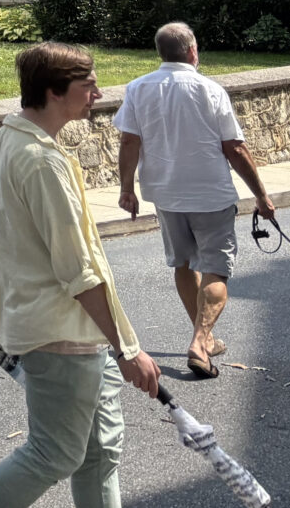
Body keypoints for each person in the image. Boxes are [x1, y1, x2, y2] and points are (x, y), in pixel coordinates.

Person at [0, 42, 159, 508]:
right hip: (60, 334)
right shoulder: (41, 161)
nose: (97, 93)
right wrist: (127, 349)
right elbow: (78, 269)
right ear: (54, 92)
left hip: (62, 330)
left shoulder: (12, 138)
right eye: (87, 85)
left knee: (98, 453)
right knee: (54, 453)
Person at [114, 22, 277, 380]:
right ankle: (201, 341)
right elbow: (234, 148)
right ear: (192, 51)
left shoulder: (138, 89)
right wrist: (261, 195)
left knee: (185, 264)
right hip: (210, 195)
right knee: (216, 269)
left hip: (166, 195)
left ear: (161, 53)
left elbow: (129, 142)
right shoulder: (210, 89)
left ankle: (204, 336)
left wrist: (127, 188)